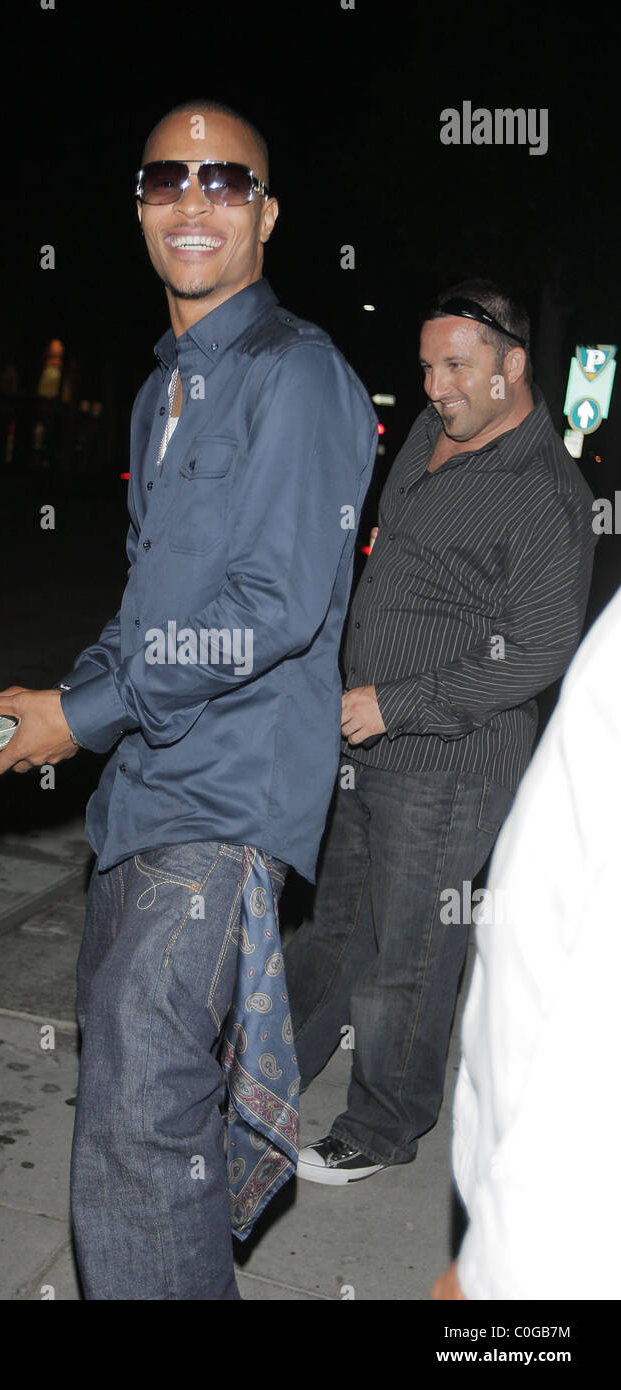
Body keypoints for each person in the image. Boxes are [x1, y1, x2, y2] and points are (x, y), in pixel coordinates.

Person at [0, 99, 377, 1298]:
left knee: (134, 1139)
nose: (192, 200)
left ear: (266, 214)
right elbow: (149, 608)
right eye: (165, 179)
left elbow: (272, 606)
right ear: (140, 208)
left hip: (222, 808)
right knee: (157, 1137)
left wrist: (85, 718)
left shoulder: (295, 374)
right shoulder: (161, 395)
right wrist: (57, 703)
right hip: (143, 807)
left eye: (224, 180)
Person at [285, 280, 597, 1186]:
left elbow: (540, 651)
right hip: (361, 744)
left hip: (452, 762)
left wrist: (398, 701)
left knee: (411, 956)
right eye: (426, 366)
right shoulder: (433, 433)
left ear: (512, 365)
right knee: (333, 928)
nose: (435, 385)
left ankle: (383, 1125)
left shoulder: (548, 493)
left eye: (456, 365)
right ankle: (275, 1071)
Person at [432, 579, 621, 1300]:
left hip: (553, 1259)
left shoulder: (537, 481)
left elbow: (601, 1013)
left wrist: (501, 1275)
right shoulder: (419, 459)